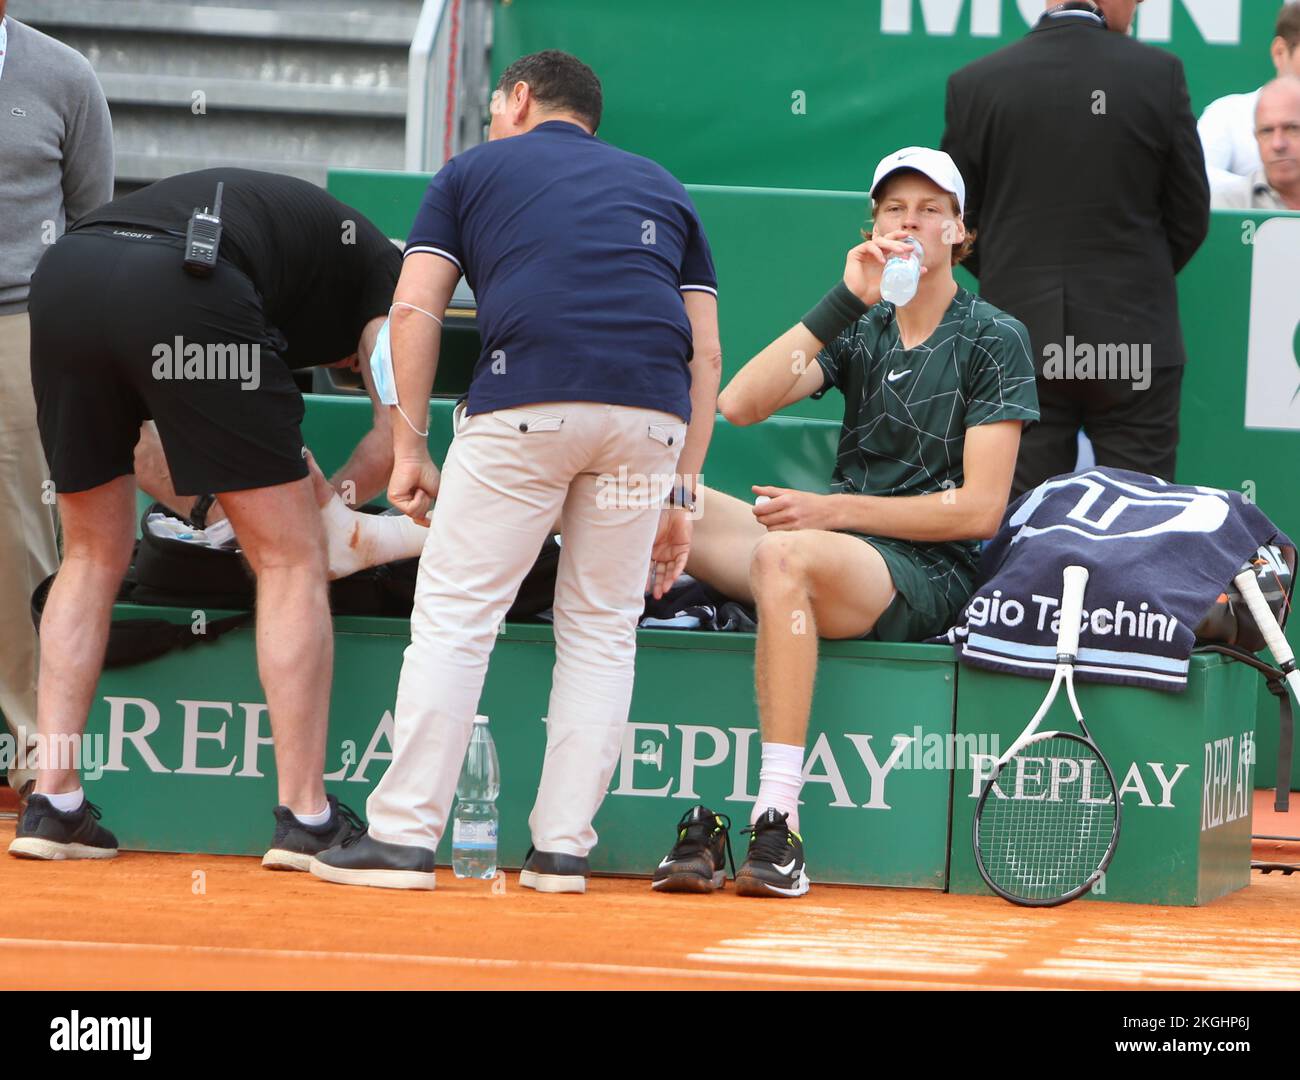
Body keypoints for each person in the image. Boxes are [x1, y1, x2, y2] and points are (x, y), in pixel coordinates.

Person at [311, 50, 722, 892]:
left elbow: (414, 310)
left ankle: (400, 839)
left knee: (459, 617)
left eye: (497, 105)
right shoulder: (664, 186)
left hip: (525, 402)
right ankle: (561, 852)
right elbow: (705, 354)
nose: (494, 118)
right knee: (604, 630)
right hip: (649, 418)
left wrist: (412, 443)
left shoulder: (471, 170)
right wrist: (684, 487)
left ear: (521, 99)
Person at [650, 149, 1039, 898]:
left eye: (931, 209)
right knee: (657, 501)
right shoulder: (863, 325)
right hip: (830, 553)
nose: (911, 223)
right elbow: (739, 403)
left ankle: (778, 818)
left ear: (961, 232)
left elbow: (980, 508)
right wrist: (847, 296)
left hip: (927, 572)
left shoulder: (995, 337)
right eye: (895, 209)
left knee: (785, 559)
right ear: (874, 226)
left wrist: (830, 513)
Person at [11, 169, 401, 866]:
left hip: (68, 273)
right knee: (289, 561)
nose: (344, 365)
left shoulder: (289, 248)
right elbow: (391, 434)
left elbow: (153, 444)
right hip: (186, 279)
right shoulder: (386, 273)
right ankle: (307, 819)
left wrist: (225, 501)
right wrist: (329, 511)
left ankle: (54, 801)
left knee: (92, 553)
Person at [941, 0, 1210, 498]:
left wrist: (1010, 276)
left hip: (1020, 339)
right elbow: (1190, 216)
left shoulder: (975, 83)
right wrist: (1138, 277)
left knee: (1024, 519)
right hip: (1133, 340)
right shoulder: (1159, 74)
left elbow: (958, 224)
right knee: (1138, 515)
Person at [0, 1, 113, 807]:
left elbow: (93, 218)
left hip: (21, 321)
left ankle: (36, 751)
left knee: (24, 539)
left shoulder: (65, 75)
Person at [1199, 2, 1300, 195]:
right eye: (1267, 131)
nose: (1278, 143)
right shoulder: (1227, 114)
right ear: (1280, 52)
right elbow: (1198, 177)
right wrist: (1271, 195)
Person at [1212, 77, 1300, 212]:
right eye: (1266, 131)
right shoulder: (1226, 206)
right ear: (1256, 137)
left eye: (1292, 128)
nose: (1277, 144)